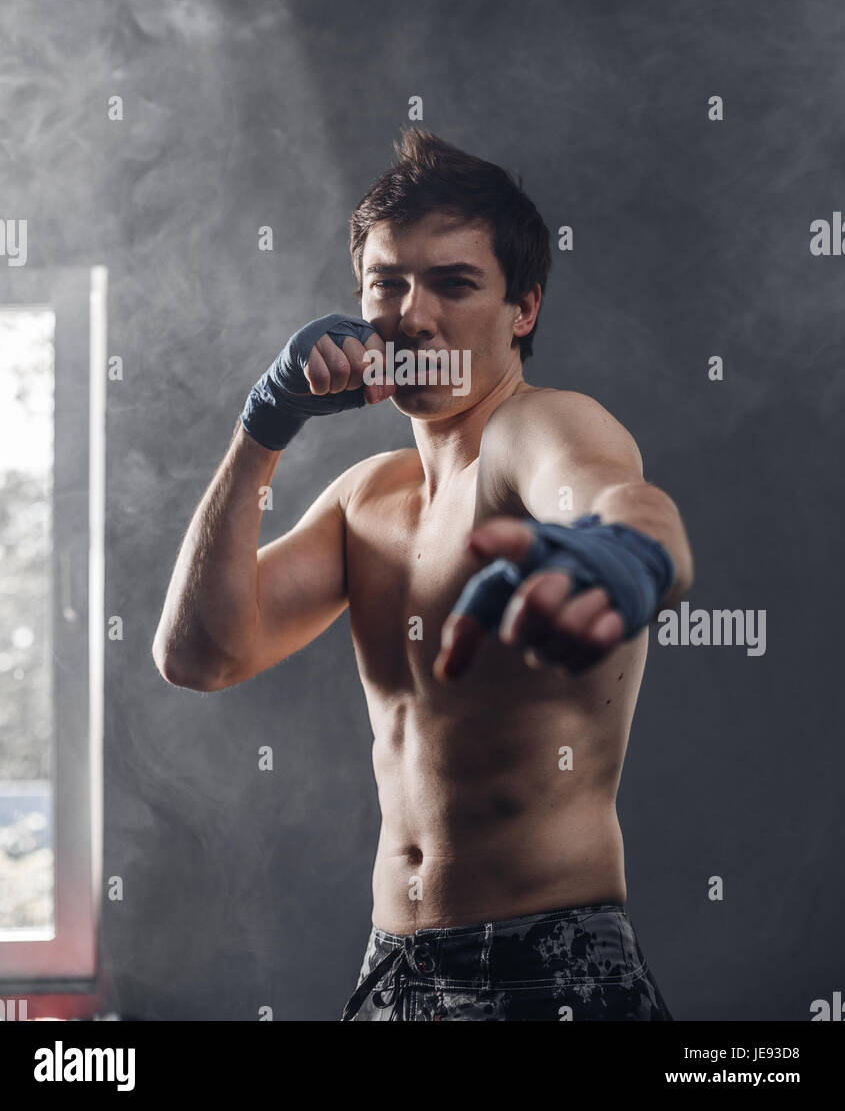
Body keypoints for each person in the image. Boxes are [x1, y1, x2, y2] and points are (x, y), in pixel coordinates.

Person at [152, 128, 694, 1021]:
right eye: (388, 283)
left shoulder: (541, 431)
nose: (414, 315)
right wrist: (263, 429)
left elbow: (617, 498)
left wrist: (620, 553)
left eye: (454, 283)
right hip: (390, 974)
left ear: (523, 308)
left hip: (543, 975)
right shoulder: (370, 497)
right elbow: (198, 655)